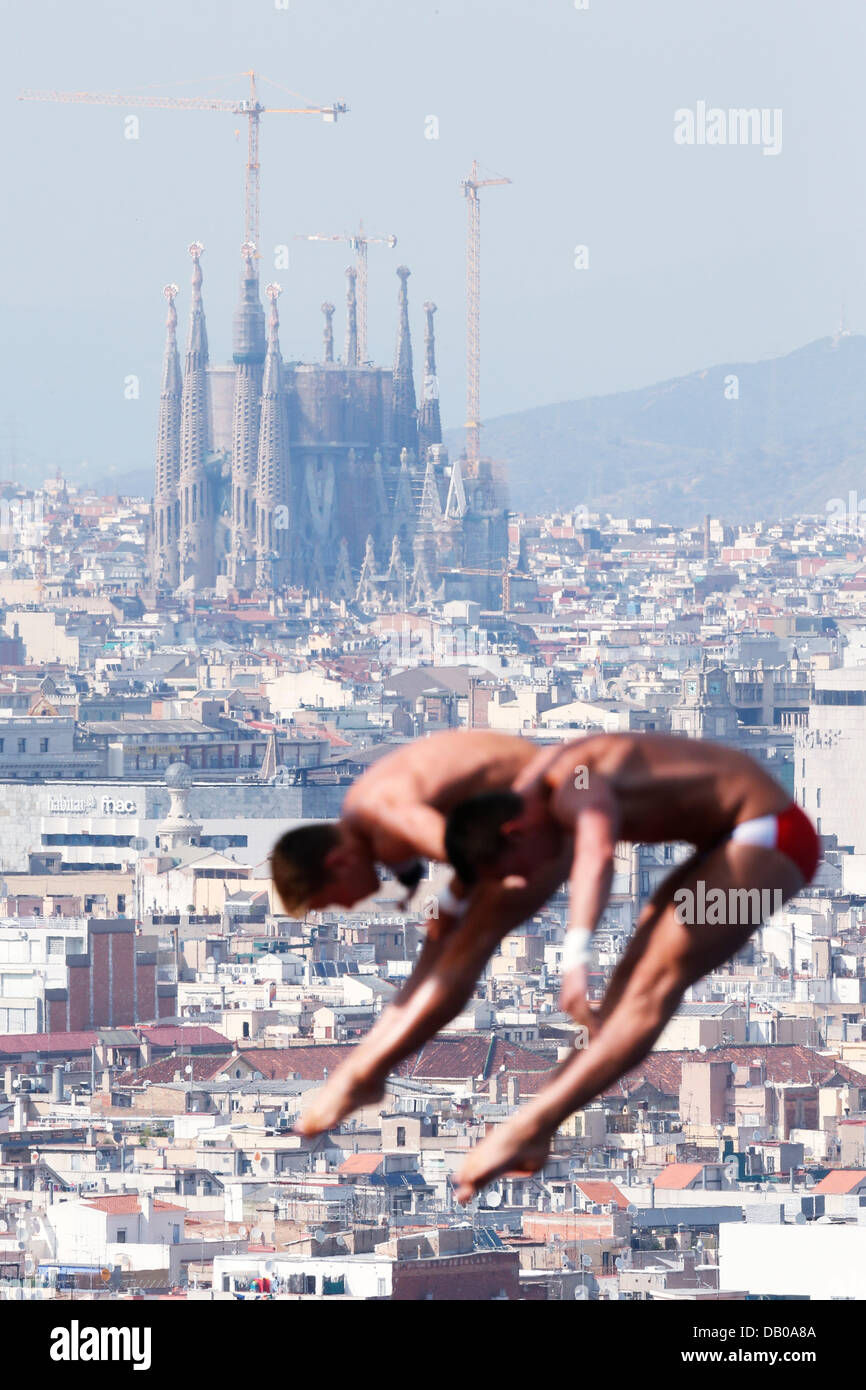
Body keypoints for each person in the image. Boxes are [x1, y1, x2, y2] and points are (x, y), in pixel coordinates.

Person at [443, 732, 819, 1202]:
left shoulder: (570, 781)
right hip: (723, 840)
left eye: (518, 868)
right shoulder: (537, 786)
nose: (531, 879)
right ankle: (545, 1121)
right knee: (626, 985)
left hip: (772, 833)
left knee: (656, 986)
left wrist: (575, 956)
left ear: (515, 832)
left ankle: (531, 1126)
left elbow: (599, 856)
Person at [271, 730, 572, 1131]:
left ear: (336, 863)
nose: (344, 907)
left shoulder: (384, 811)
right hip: (524, 815)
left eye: (330, 899)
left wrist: (449, 909)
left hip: (546, 817)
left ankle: (364, 1072)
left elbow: (465, 856)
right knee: (435, 960)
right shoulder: (365, 820)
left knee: (454, 965)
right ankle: (365, 1070)